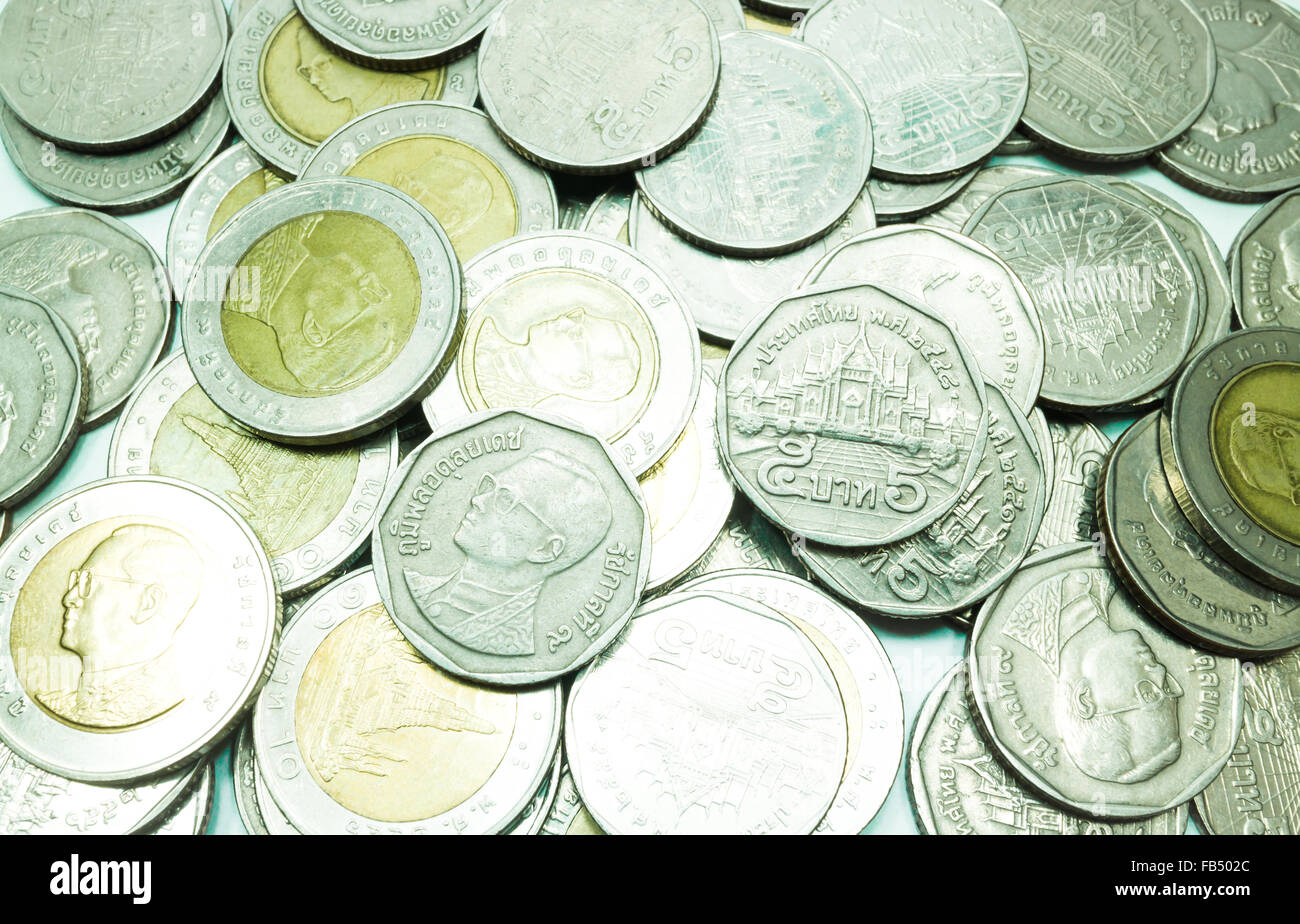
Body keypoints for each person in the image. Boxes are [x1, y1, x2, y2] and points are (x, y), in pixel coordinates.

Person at [404, 450, 613, 657]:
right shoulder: (414, 585)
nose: (477, 500)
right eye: (489, 487)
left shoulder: (516, 646)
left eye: (505, 499)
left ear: (545, 549)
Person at [39, 525, 203, 728]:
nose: (68, 598)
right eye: (76, 580)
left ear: (147, 603)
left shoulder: (168, 709)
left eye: (88, 582)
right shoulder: (56, 706)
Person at [1053, 569, 1183, 784]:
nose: (1160, 670)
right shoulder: (1129, 583)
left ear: (1086, 699)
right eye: (1168, 688)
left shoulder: (1019, 624)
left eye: (1148, 693)